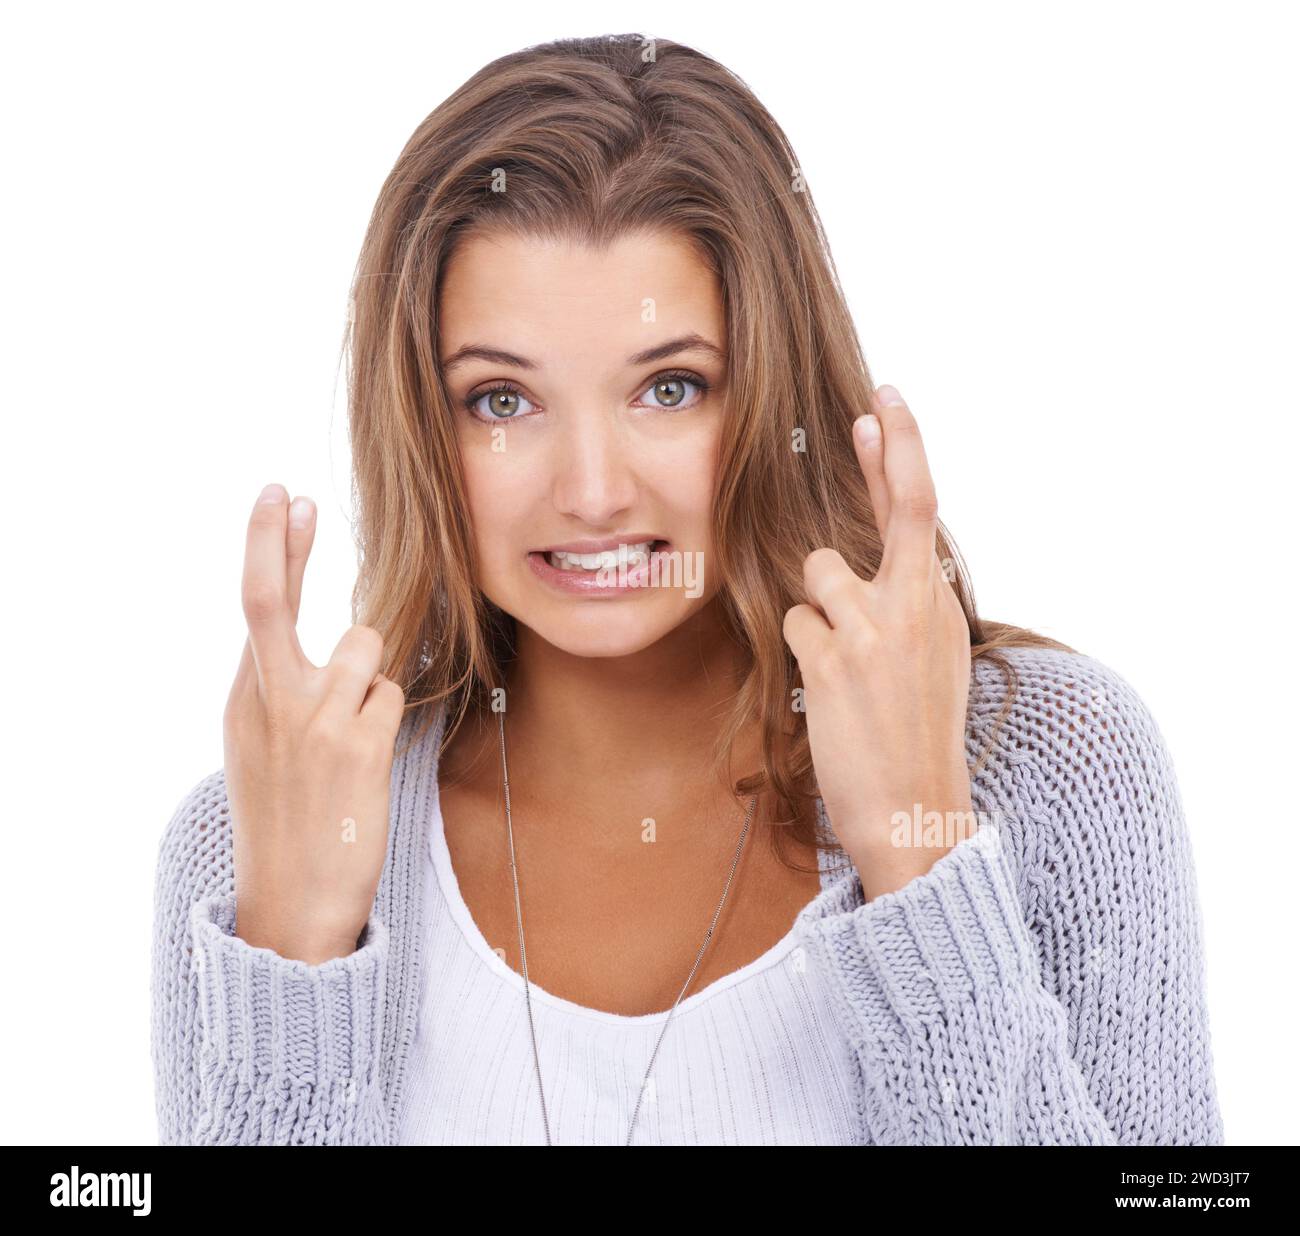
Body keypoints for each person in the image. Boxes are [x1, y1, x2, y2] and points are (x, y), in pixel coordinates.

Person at [151, 33, 1224, 1146]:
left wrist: (923, 868)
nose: (592, 492)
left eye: (669, 388)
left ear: (772, 386)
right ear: (421, 423)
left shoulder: (1047, 768)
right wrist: (286, 967)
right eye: (502, 401)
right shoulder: (254, 848)